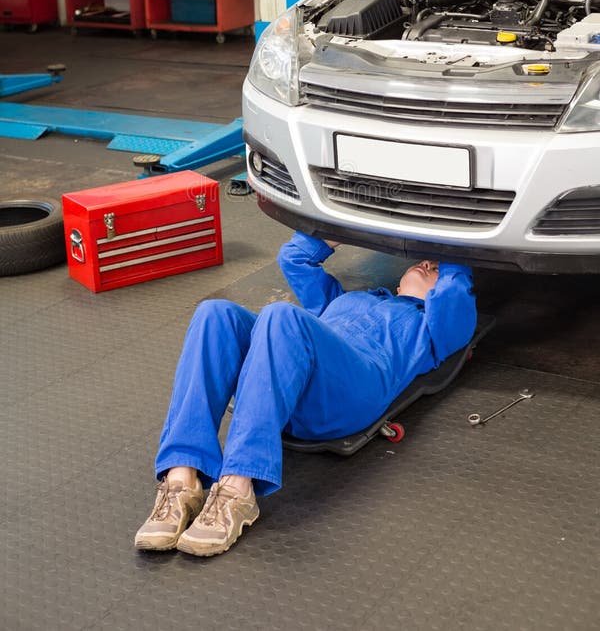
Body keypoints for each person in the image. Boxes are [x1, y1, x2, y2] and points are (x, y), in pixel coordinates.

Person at [135, 231, 477, 557]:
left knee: (281, 315)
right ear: (398, 281)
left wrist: (445, 251)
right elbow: (295, 259)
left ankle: (238, 488)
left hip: (352, 392)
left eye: (434, 270)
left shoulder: (435, 329)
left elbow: (455, 291)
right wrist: (342, 226)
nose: (427, 265)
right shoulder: (345, 299)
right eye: (423, 262)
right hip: (286, 381)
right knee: (214, 313)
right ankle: (182, 478)